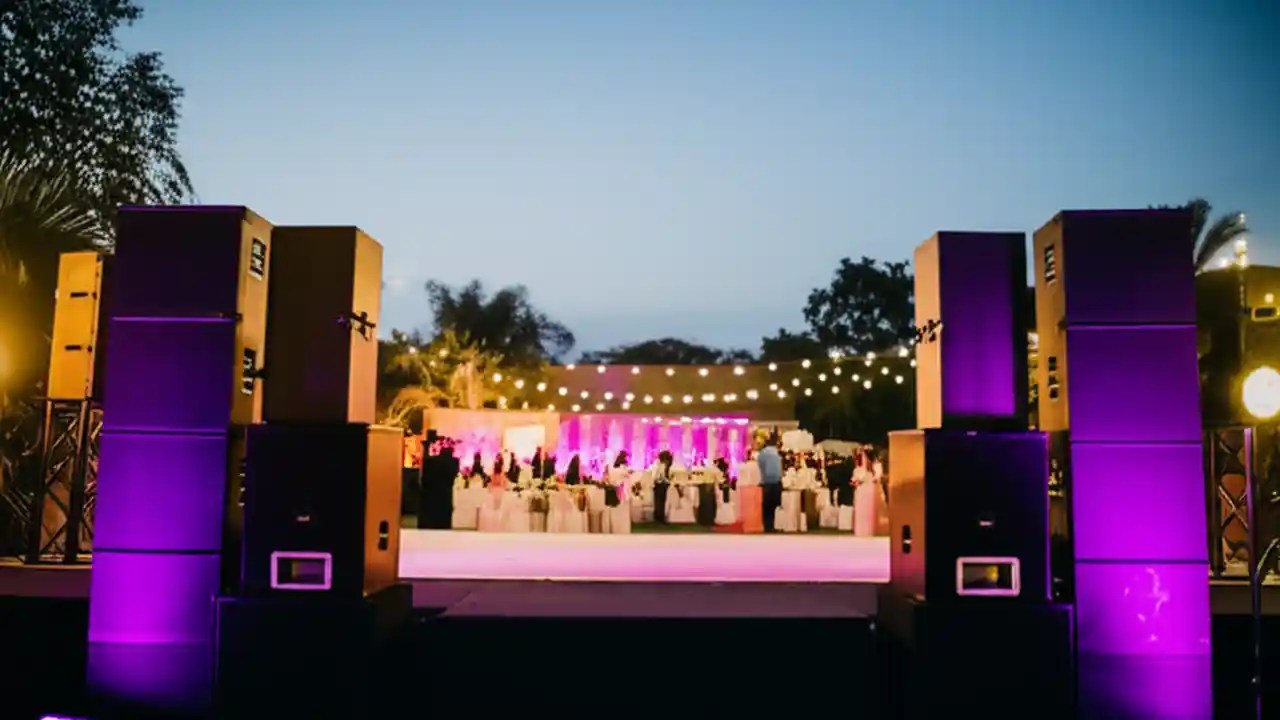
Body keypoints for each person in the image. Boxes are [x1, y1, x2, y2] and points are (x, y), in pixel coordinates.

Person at [757, 434, 783, 532]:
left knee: (766, 507)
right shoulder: (775, 453)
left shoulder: (762, 454)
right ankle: (771, 526)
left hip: (766, 483)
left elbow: (761, 469)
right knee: (773, 506)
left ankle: (767, 526)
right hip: (776, 482)